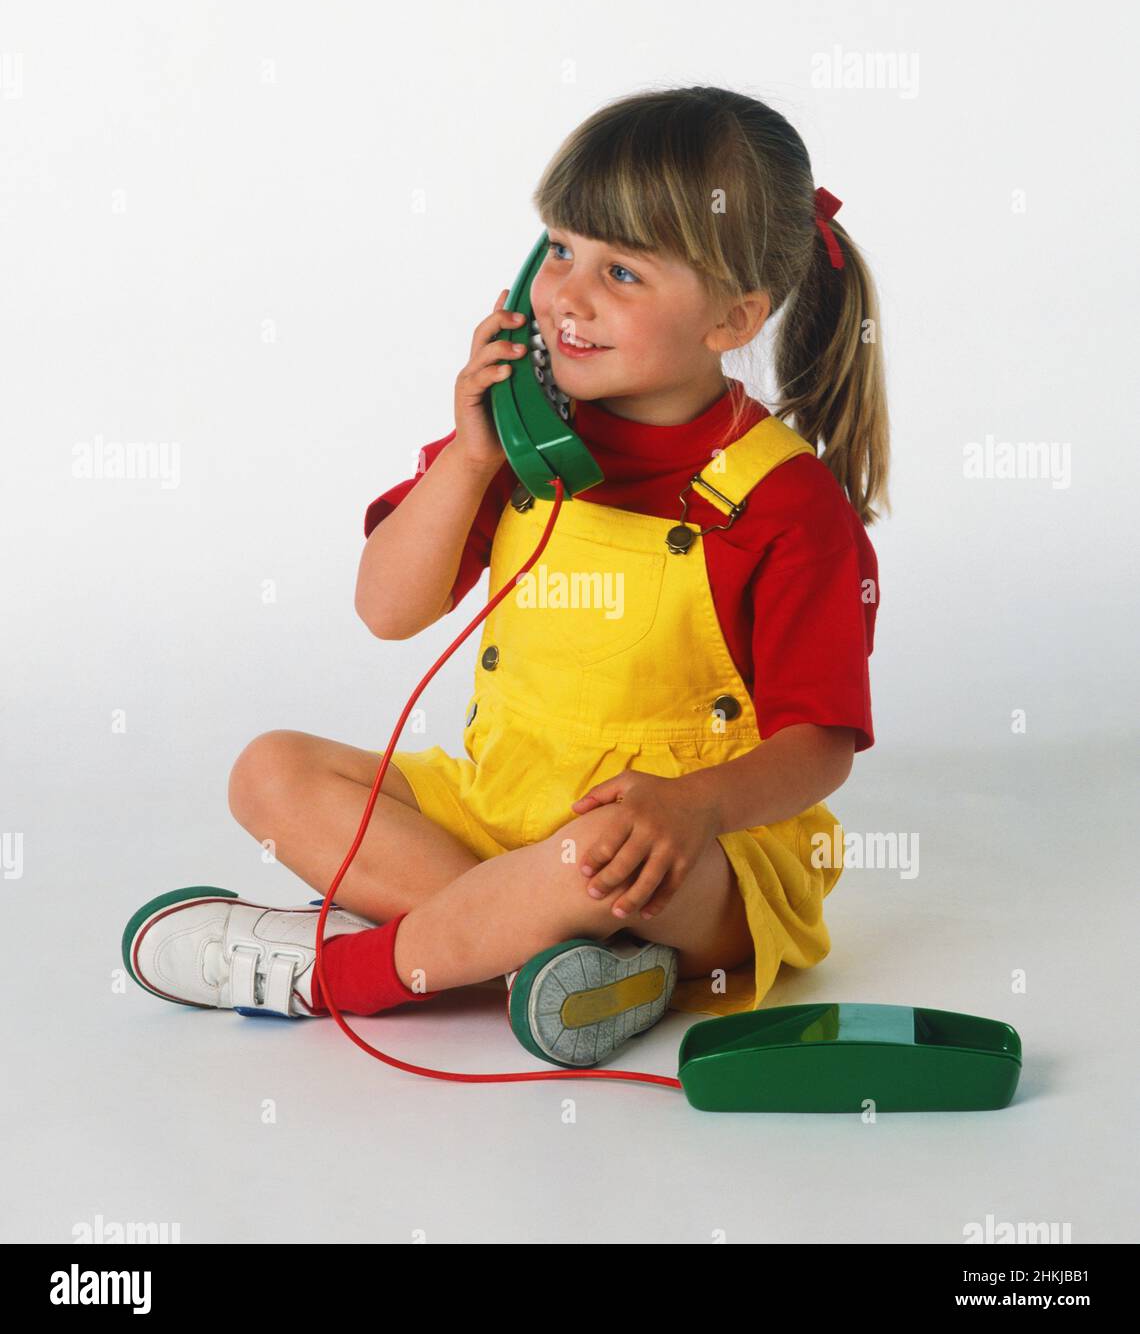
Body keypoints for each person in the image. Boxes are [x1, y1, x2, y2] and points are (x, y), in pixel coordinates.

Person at [123, 85, 889, 1069]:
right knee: (270, 770)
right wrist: (473, 458)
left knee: (586, 863)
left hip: (685, 849)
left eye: (620, 270)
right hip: (507, 804)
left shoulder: (784, 502)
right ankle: (550, 954)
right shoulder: (524, 435)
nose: (568, 295)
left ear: (730, 316)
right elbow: (385, 610)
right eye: (560, 250)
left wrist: (694, 805)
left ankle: (342, 973)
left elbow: (819, 746)